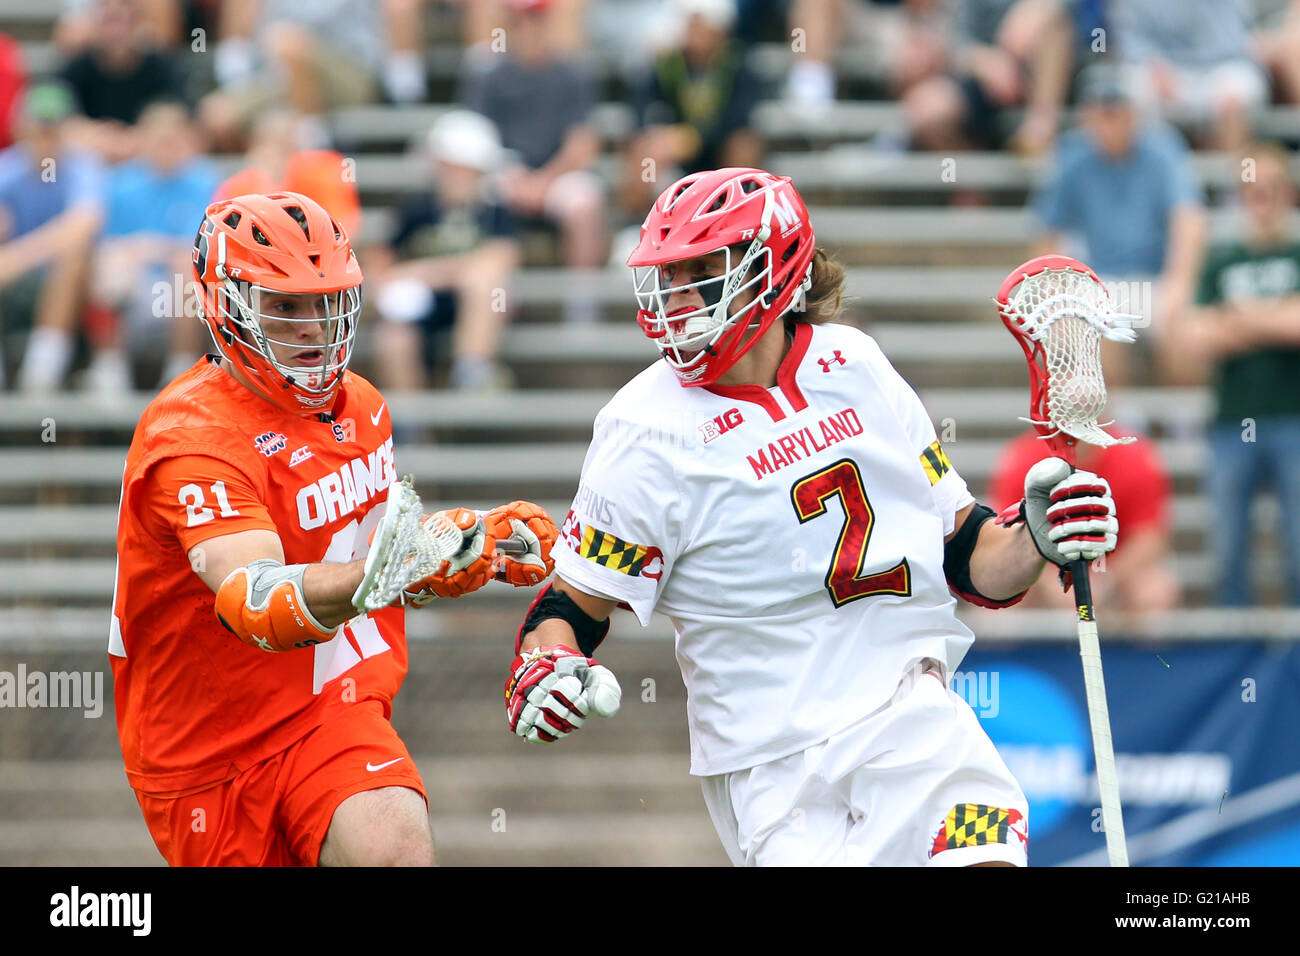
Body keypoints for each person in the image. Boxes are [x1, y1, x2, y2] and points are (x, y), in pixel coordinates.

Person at [501, 167, 1121, 866]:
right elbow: (574, 605)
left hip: (911, 718)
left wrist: (1037, 537)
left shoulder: (856, 365)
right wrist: (546, 664)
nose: (675, 299)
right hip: (774, 765)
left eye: (701, 271)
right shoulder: (643, 431)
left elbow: (967, 558)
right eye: (667, 277)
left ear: (770, 268)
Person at [110, 190, 559, 866]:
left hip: (332, 714)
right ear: (224, 304)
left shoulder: (364, 407)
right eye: (284, 305)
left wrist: (466, 548)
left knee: (396, 849)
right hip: (207, 746)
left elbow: (381, 561)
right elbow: (255, 600)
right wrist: (385, 572)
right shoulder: (191, 439)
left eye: (325, 301)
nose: (313, 327)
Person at [1032, 63, 1206, 387]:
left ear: (1133, 113)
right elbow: (1048, 232)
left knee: (1184, 333)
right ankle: (1121, 425)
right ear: (1087, 115)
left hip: (1156, 279)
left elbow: (1189, 220)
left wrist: (1179, 285)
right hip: (1102, 280)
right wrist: (1056, 294)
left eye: (1117, 110)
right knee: (1096, 323)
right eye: (1101, 111)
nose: (1109, 121)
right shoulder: (1072, 154)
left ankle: (1183, 424)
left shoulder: (1161, 148)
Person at [1185, 142, 1300, 606]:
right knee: (1229, 552)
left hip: (1293, 420)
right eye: (1254, 190)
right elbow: (1196, 335)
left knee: (1297, 550)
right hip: (1232, 423)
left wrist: (1239, 316)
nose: (1263, 198)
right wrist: (1276, 318)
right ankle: (1236, 663)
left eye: (1272, 189)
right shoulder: (1221, 259)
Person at [370, 110, 521, 392]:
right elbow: (381, 267)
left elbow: (501, 260)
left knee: (486, 284)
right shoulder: (416, 208)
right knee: (392, 337)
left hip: (474, 304)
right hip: (423, 305)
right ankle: (409, 423)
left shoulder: (495, 210)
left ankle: (471, 371)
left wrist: (422, 272)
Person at [990, 427, 1179, 613]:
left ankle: (1138, 645)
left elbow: (1149, 537)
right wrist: (1052, 581)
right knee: (998, 599)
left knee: (1154, 592)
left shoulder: (1133, 455)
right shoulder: (1024, 455)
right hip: (1043, 571)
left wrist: (1108, 580)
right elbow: (1009, 533)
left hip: (1113, 572)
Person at [0, 81, 104, 392]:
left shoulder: (84, 167)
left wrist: (15, 257)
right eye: (40, 127)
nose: (46, 136)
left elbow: (83, 225)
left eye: (53, 128)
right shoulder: (7, 168)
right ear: (24, 128)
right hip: (14, 282)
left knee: (74, 256)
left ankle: (42, 370)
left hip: (61, 281)